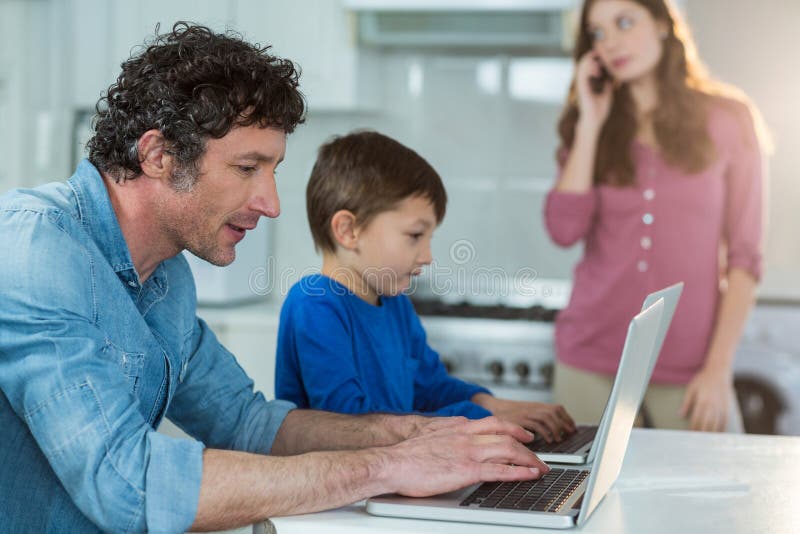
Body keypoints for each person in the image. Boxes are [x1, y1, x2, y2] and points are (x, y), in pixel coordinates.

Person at [0, 23, 549, 533]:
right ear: (159, 155)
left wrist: (415, 434)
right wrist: (387, 466)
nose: (272, 203)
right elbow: (125, 482)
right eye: (247, 169)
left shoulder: (166, 277)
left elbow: (247, 422)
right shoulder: (36, 249)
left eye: (273, 171)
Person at [545, 0, 767, 432]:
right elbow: (562, 229)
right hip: (590, 361)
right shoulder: (589, 124)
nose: (611, 43)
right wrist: (590, 123)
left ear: (664, 24)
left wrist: (718, 369)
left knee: (707, 497)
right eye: (598, 33)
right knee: (583, 498)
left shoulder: (729, 120)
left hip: (691, 367)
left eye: (624, 23)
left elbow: (745, 257)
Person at [274, 131, 576, 442]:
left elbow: (429, 386)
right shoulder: (315, 305)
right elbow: (351, 423)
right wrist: (483, 419)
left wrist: (492, 404)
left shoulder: (394, 303)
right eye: (415, 236)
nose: (428, 257)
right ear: (349, 230)